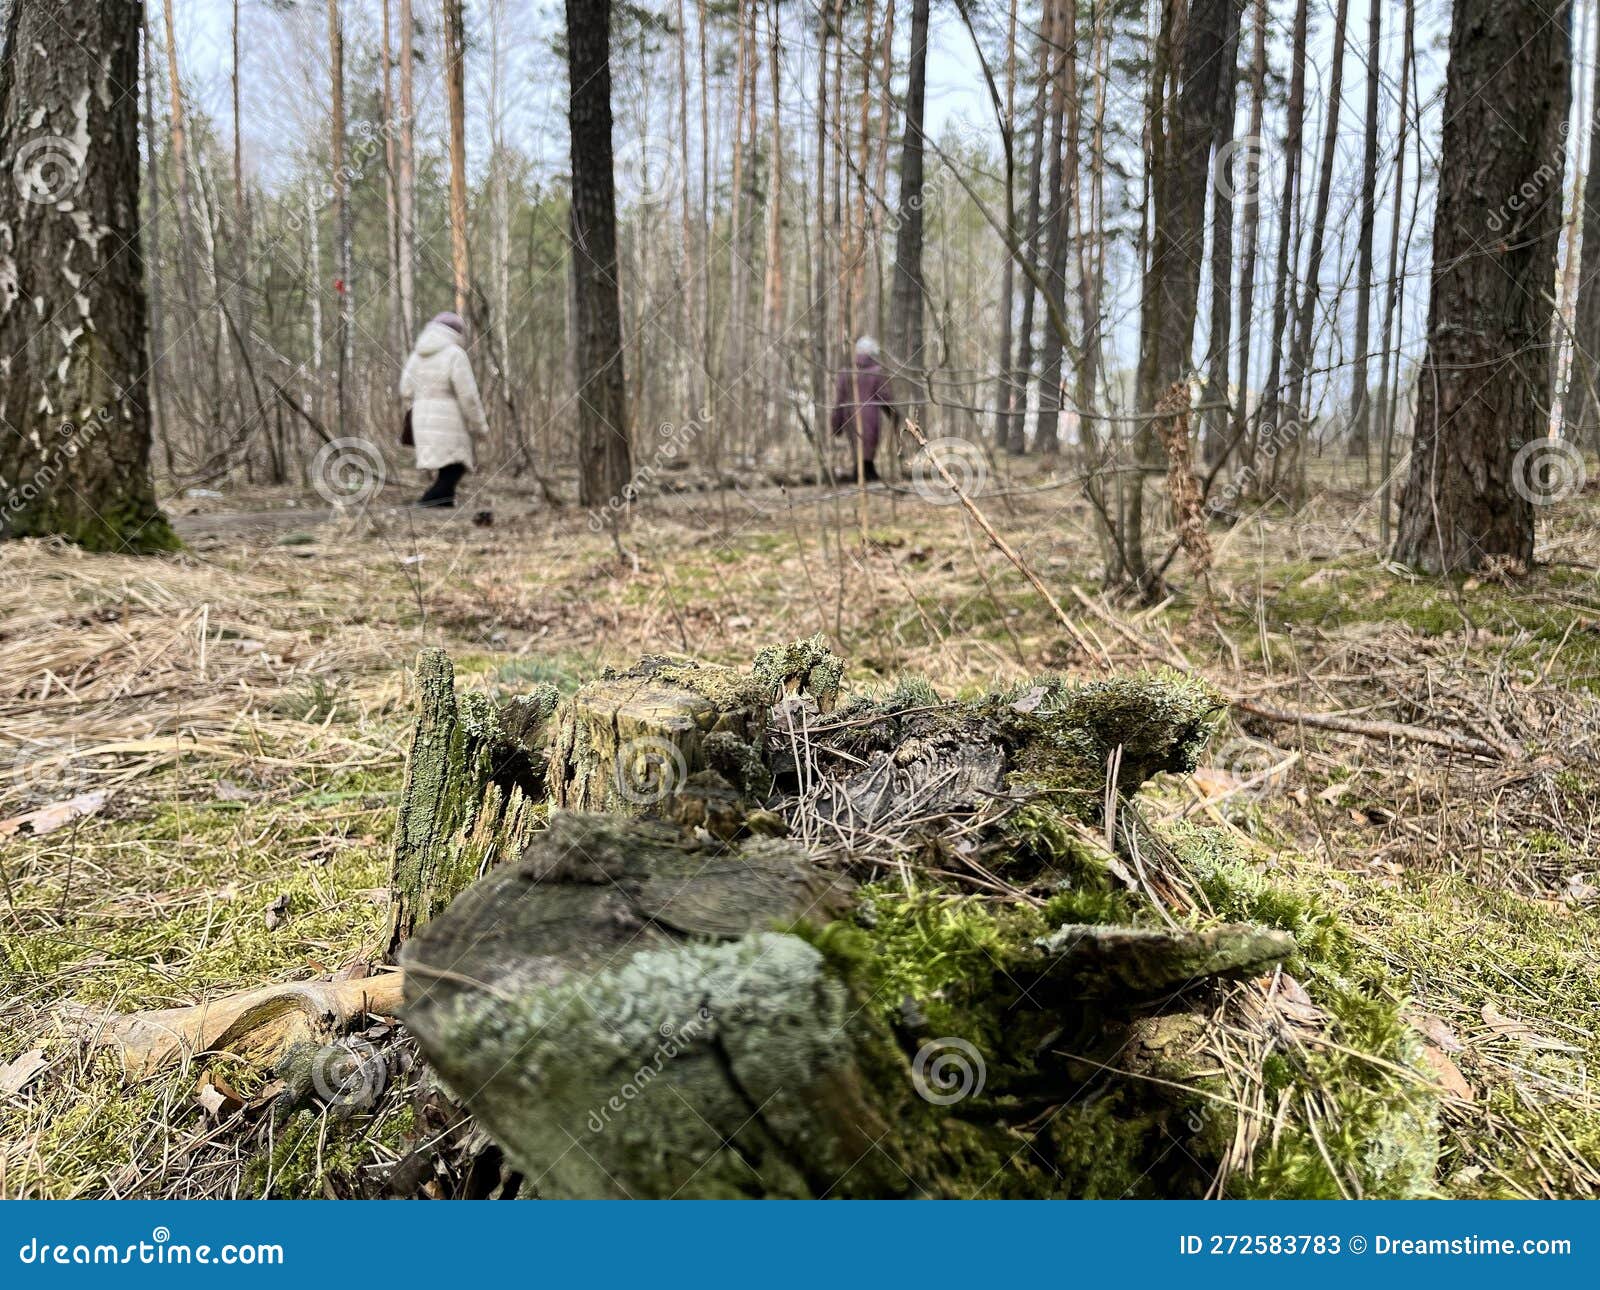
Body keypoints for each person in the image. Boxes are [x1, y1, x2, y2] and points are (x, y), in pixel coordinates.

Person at [399, 311, 489, 508]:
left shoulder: (417, 354)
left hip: (421, 414)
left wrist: (423, 397)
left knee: (448, 464)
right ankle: (428, 501)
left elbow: (405, 389)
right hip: (449, 415)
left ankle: (444, 503)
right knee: (456, 464)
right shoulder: (454, 354)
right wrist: (480, 425)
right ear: (456, 333)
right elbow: (468, 395)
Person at [830, 335, 897, 483]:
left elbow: (839, 402)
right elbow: (885, 396)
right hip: (870, 415)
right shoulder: (877, 371)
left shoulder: (845, 372)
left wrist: (836, 425)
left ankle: (864, 472)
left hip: (850, 415)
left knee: (857, 444)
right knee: (869, 443)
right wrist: (894, 413)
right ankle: (865, 472)